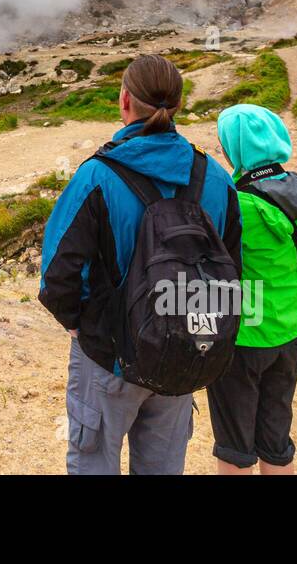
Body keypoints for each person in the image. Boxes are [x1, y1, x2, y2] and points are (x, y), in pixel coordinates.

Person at [39, 54, 242, 474]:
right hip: (182, 350)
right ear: (178, 106)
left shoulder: (97, 175)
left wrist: (81, 324)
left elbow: (58, 274)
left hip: (107, 356)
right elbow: (232, 268)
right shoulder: (217, 179)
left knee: (94, 462)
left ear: (125, 99)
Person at [208, 103, 297, 475]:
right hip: (289, 331)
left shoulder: (232, 201)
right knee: (276, 442)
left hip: (241, 338)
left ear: (235, 148)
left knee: (234, 446)